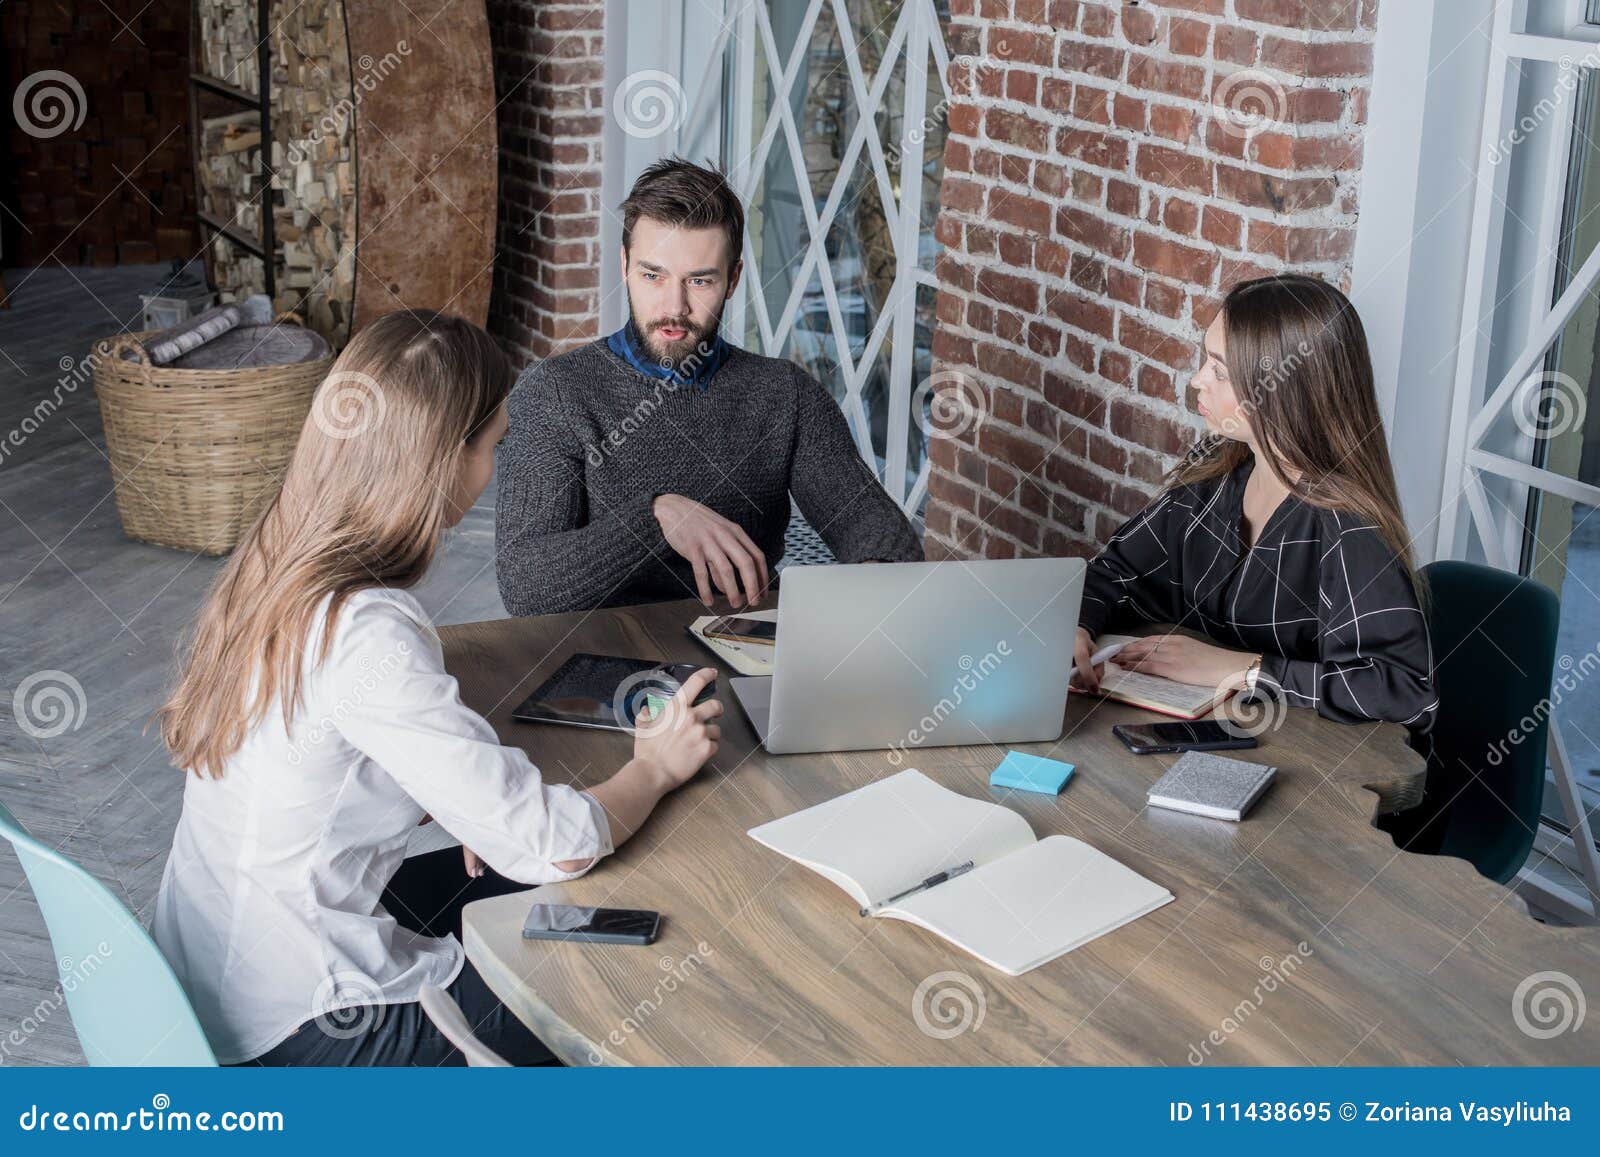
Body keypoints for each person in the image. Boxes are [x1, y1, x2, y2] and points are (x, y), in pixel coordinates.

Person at [151, 310, 722, 1066]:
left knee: (512, 888)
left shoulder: (278, 563)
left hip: (206, 984)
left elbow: (315, 752)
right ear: (444, 458)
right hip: (301, 1028)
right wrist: (653, 767)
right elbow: (551, 846)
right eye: (493, 445)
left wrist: (461, 796)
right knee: (622, 971)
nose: (493, 472)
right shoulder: (366, 632)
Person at [494, 156, 923, 617]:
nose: (673, 307)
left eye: (699, 280)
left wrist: (876, 586)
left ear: (733, 280)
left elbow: (878, 531)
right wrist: (656, 517)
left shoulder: (784, 396)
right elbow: (525, 585)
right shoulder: (555, 394)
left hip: (743, 653)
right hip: (601, 661)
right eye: (653, 276)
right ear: (624, 266)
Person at [1071, 274, 1437, 733]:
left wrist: (1240, 669)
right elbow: (1117, 573)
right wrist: (1078, 627)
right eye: (1206, 361)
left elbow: (1403, 693)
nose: (1196, 380)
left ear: (1283, 387)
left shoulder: (1349, 528)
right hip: (1210, 736)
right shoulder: (1216, 479)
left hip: (1312, 776)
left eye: (1219, 371)